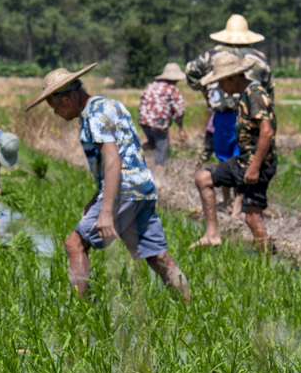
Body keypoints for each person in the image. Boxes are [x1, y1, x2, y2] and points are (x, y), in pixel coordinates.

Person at [25, 65, 190, 301]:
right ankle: (189, 310)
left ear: (67, 100)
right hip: (142, 187)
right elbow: (125, 155)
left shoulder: (93, 115)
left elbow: (113, 159)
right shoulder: (109, 105)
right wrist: (95, 200)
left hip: (124, 191)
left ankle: (79, 314)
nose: (56, 113)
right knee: (158, 257)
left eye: (54, 107)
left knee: (74, 244)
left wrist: (105, 213)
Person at [185, 15, 273, 213]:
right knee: (243, 157)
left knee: (224, 158)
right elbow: (268, 89)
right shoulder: (259, 58)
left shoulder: (212, 55)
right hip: (250, 115)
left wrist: (205, 89)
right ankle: (238, 204)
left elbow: (190, 71)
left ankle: (226, 202)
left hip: (223, 114)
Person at [192, 53, 276, 250]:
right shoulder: (246, 94)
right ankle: (212, 235)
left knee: (253, 217)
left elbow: (267, 132)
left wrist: (254, 168)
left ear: (233, 78)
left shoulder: (255, 94)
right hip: (244, 161)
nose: (221, 87)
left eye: (221, 81)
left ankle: (266, 261)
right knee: (203, 179)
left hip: (257, 164)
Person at [138, 62, 186, 166]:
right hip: (159, 123)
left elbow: (141, 104)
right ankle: (160, 171)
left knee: (152, 144)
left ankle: (135, 153)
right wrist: (181, 128)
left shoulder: (151, 86)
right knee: (162, 149)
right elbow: (179, 111)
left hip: (144, 122)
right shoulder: (172, 89)